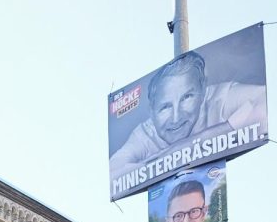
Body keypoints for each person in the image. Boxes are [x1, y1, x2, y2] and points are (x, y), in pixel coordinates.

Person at [109, 50, 266, 177]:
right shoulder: (146, 134)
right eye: (165, 107)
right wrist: (175, 156)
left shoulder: (219, 97)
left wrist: (185, 147)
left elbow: (262, 103)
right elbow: (114, 174)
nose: (176, 118)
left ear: (203, 90)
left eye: (186, 98)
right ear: (151, 111)